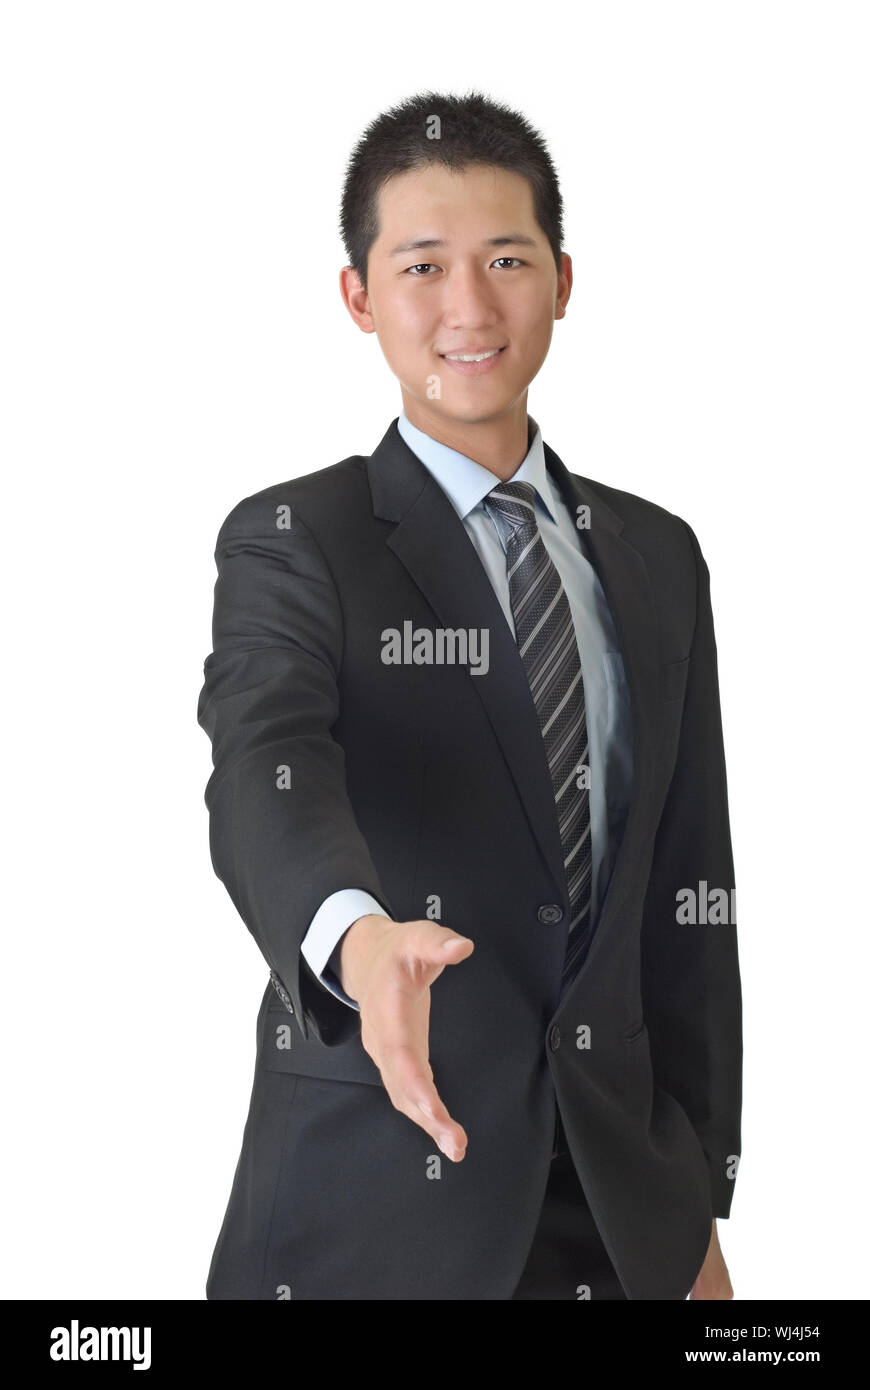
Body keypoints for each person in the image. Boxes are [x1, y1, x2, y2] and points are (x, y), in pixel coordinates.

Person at [196, 89, 742, 1301]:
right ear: (360, 297)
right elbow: (260, 761)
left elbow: (686, 889)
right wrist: (355, 932)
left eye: (506, 259)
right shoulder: (302, 538)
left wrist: (695, 1193)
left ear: (561, 276)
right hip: (378, 1206)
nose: (469, 309)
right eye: (423, 265)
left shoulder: (656, 555)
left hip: (622, 1219)